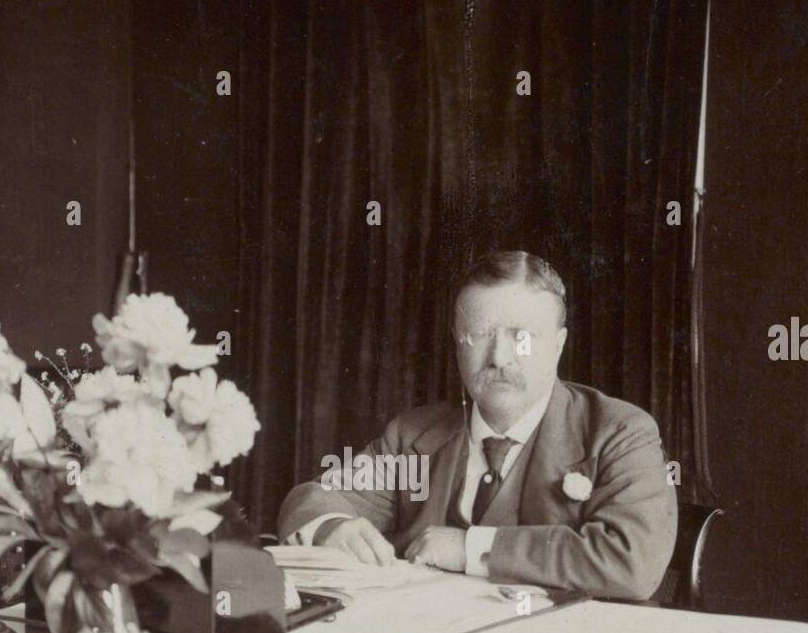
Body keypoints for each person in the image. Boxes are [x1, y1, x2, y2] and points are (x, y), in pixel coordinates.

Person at [278, 251, 677, 598]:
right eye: (478, 335)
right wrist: (332, 527)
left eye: (521, 337)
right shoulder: (414, 436)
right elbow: (318, 495)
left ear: (558, 345)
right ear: (455, 340)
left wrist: (471, 548)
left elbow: (632, 560)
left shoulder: (619, 432)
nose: (499, 357)